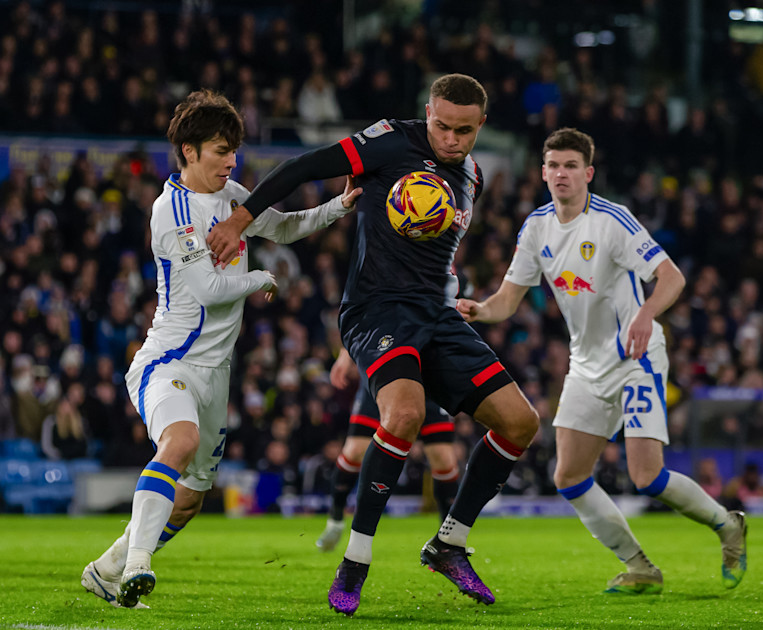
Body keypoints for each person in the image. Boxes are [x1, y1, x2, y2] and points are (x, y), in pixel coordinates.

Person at [208, 74, 539, 615]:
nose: (451, 139)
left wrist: (459, 298)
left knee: (521, 423)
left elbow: (438, 257)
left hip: (436, 314)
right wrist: (241, 221)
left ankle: (449, 543)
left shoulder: (472, 177)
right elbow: (305, 166)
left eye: (464, 130)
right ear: (426, 112)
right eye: (441, 126)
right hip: (377, 310)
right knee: (403, 415)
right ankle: (354, 562)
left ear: (482, 126)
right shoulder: (389, 141)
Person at [80, 89, 363, 609]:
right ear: (188, 151)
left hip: (217, 372)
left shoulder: (229, 192)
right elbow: (209, 290)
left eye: (233, 149)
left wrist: (339, 206)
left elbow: (282, 226)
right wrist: (259, 277)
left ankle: (108, 567)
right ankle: (139, 565)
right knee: (180, 440)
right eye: (218, 149)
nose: (231, 160)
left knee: (189, 499)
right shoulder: (172, 209)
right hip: (169, 359)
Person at [455, 128, 747, 593]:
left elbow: (671, 277)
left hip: (635, 357)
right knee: (569, 476)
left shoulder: (613, 221)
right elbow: (508, 298)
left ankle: (727, 525)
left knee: (645, 475)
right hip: (585, 366)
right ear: (543, 172)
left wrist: (647, 314)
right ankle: (641, 567)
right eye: (553, 165)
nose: (561, 174)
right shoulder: (535, 227)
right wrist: (479, 309)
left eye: (571, 166)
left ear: (588, 173)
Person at [315, 348, 459, 551]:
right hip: (384, 372)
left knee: (444, 459)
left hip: (429, 378)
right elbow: (360, 316)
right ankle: (335, 520)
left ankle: (448, 541)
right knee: (355, 451)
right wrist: (346, 353)